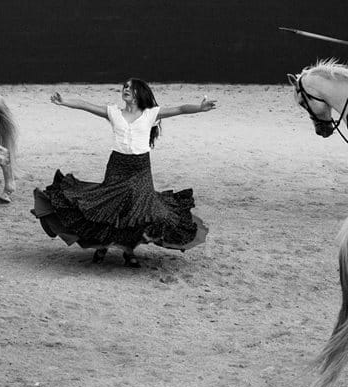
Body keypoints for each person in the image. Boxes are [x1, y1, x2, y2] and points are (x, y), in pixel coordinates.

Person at [31, 78, 216, 267]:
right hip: (117, 167)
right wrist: (64, 102)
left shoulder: (151, 114)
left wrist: (200, 108)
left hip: (140, 169)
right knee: (110, 207)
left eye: (130, 87)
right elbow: (86, 105)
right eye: (124, 87)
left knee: (136, 210)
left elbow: (180, 109)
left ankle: (128, 251)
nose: (126, 89)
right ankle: (102, 246)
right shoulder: (113, 112)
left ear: (139, 93)